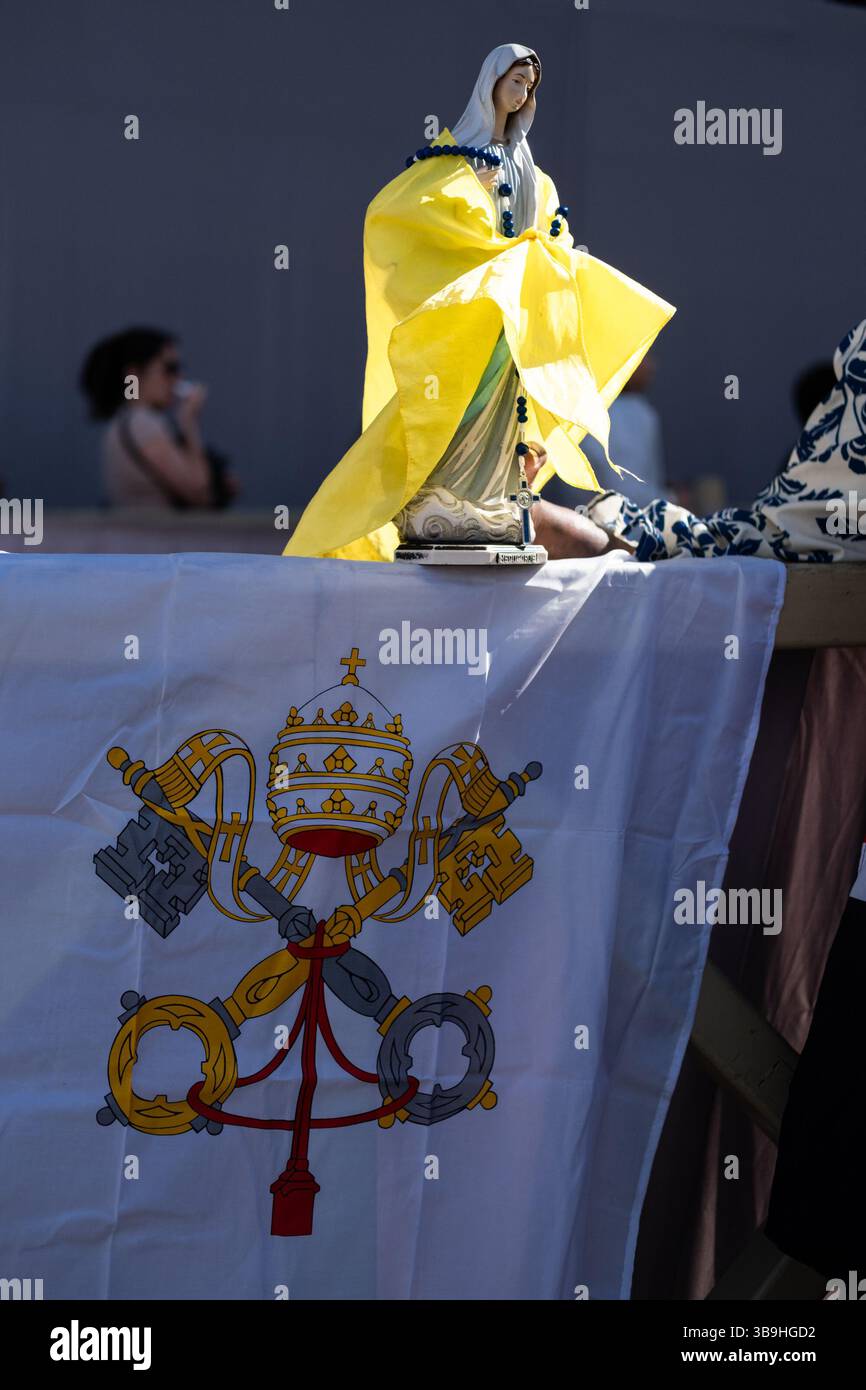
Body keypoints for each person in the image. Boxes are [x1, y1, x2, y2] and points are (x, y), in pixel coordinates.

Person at [283, 43, 675, 562]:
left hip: (514, 319)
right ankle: (445, 497)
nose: (521, 93)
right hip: (471, 317)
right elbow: (402, 213)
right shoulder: (451, 163)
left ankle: (490, 499)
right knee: (454, 404)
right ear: (491, 84)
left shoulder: (533, 172)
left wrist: (540, 253)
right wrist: (473, 199)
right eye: (515, 81)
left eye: (529, 87)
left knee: (504, 413)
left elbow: (551, 233)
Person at [566, 318, 866, 562]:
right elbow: (625, 493)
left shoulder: (584, 409)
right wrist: (674, 501)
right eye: (646, 354)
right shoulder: (630, 412)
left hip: (602, 538)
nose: (653, 366)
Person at [80, 327, 235, 510]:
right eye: (170, 369)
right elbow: (199, 491)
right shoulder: (141, 423)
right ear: (134, 375)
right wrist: (189, 422)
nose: (178, 378)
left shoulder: (128, 422)